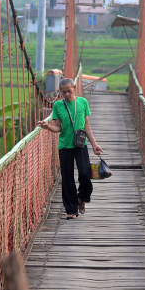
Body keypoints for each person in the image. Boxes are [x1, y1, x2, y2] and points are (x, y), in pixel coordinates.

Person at [37, 78, 104, 220]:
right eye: (63, 92)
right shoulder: (58, 105)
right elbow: (58, 127)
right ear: (60, 92)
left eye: (69, 90)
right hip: (65, 146)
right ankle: (71, 210)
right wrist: (47, 126)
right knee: (67, 178)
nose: (67, 94)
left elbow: (86, 125)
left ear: (74, 87)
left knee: (85, 174)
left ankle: (82, 197)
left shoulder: (82, 102)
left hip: (80, 144)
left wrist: (94, 144)